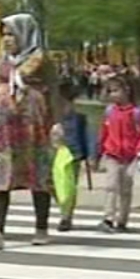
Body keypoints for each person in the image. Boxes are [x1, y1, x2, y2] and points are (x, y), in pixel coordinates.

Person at [0, 13, 56, 250]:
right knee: (0, 175)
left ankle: (41, 228)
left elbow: (53, 90)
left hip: (33, 126)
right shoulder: (0, 58)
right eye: (4, 35)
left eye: (11, 34)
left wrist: (57, 122)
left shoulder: (41, 58)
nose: (7, 40)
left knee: (38, 175)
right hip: (3, 128)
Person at [92, 76, 140, 234]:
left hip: (130, 156)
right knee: (111, 186)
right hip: (112, 154)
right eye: (110, 91)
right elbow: (103, 134)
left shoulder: (136, 113)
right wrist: (98, 153)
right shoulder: (109, 112)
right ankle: (108, 218)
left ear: (126, 91)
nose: (113, 94)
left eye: (116, 90)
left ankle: (122, 220)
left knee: (125, 189)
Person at [51, 80, 94, 233]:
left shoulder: (79, 118)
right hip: (54, 155)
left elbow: (88, 137)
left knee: (69, 186)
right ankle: (64, 208)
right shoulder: (51, 117)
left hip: (72, 156)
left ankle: (66, 217)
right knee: (52, 186)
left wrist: (91, 155)